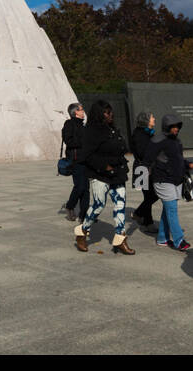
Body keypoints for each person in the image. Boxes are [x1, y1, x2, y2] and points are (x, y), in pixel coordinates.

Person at [74, 100, 134, 255]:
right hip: (100, 174)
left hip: (118, 172)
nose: (110, 115)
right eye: (107, 112)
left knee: (120, 205)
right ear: (99, 114)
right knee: (98, 205)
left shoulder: (112, 128)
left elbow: (122, 146)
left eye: (111, 111)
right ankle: (82, 231)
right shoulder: (91, 130)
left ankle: (120, 239)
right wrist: (104, 165)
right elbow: (85, 156)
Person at [145, 113, 193, 250]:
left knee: (168, 209)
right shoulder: (157, 140)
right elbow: (146, 160)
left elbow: (178, 159)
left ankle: (162, 238)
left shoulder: (177, 141)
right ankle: (179, 240)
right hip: (161, 179)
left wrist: (187, 164)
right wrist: (141, 182)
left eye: (177, 126)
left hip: (175, 179)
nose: (176, 129)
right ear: (166, 126)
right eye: (173, 126)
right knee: (172, 209)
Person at [130, 111, 159, 229]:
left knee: (149, 196)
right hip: (142, 169)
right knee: (153, 195)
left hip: (146, 168)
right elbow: (142, 153)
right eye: (152, 117)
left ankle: (147, 222)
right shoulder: (140, 135)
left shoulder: (148, 133)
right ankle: (139, 214)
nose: (154, 119)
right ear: (146, 120)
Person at [61, 102, 89, 221]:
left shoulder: (83, 126)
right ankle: (70, 206)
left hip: (86, 160)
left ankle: (84, 214)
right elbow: (68, 140)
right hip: (76, 160)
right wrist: (83, 142)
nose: (83, 111)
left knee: (86, 189)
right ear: (75, 112)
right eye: (81, 109)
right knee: (80, 187)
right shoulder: (69, 124)